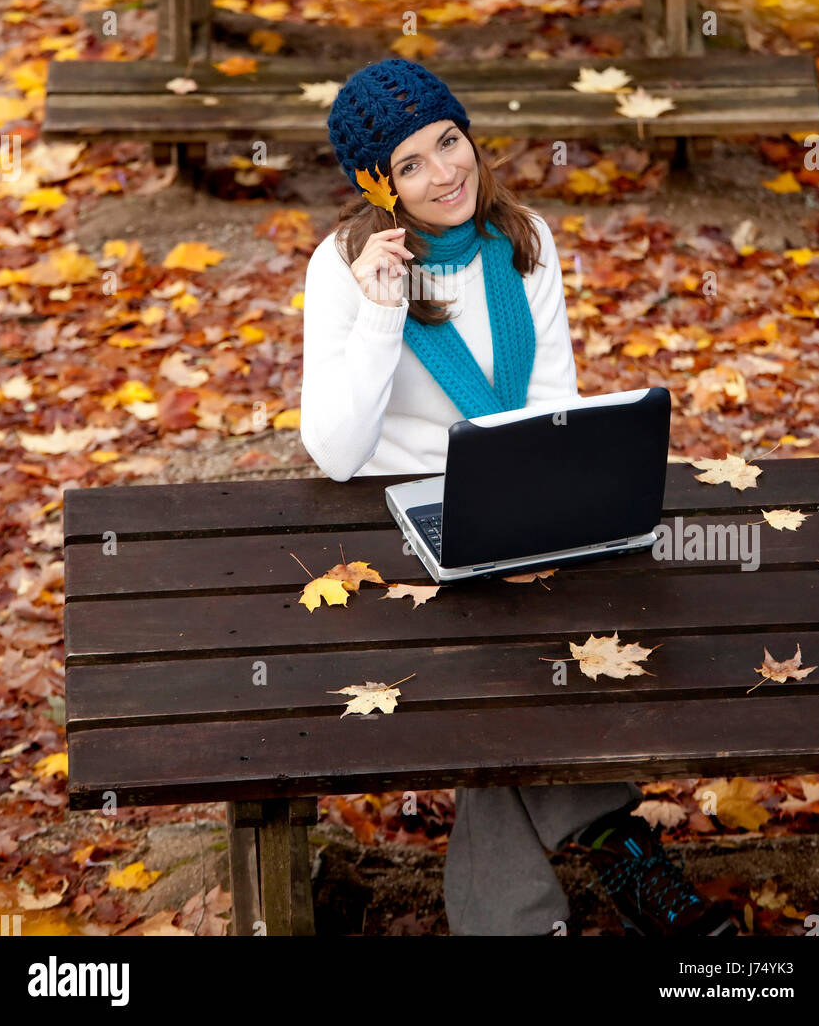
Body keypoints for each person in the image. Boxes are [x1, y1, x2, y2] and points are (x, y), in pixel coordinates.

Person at [299, 58, 736, 937]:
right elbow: (337, 455)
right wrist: (385, 312)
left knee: (542, 642)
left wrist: (563, 499)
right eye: (410, 164)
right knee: (502, 662)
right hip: (398, 528)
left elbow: (554, 410)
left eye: (448, 142)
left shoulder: (525, 240)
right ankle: (620, 843)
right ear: (375, 185)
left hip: (520, 504)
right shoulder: (345, 267)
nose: (444, 173)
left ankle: (520, 921)